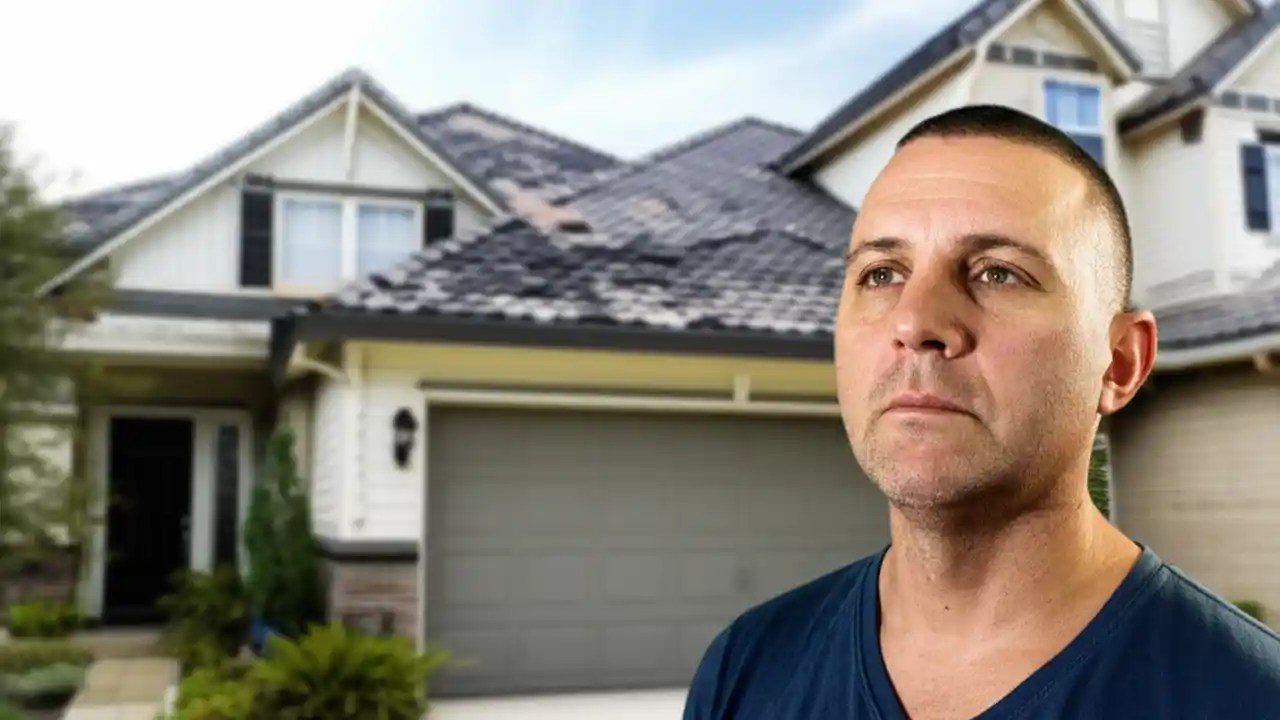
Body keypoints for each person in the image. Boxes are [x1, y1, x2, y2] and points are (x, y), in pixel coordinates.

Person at [681, 105, 1280, 720]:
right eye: (881, 274)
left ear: (1120, 362)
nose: (916, 322)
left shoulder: (1252, 698)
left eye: (999, 273)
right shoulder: (745, 672)